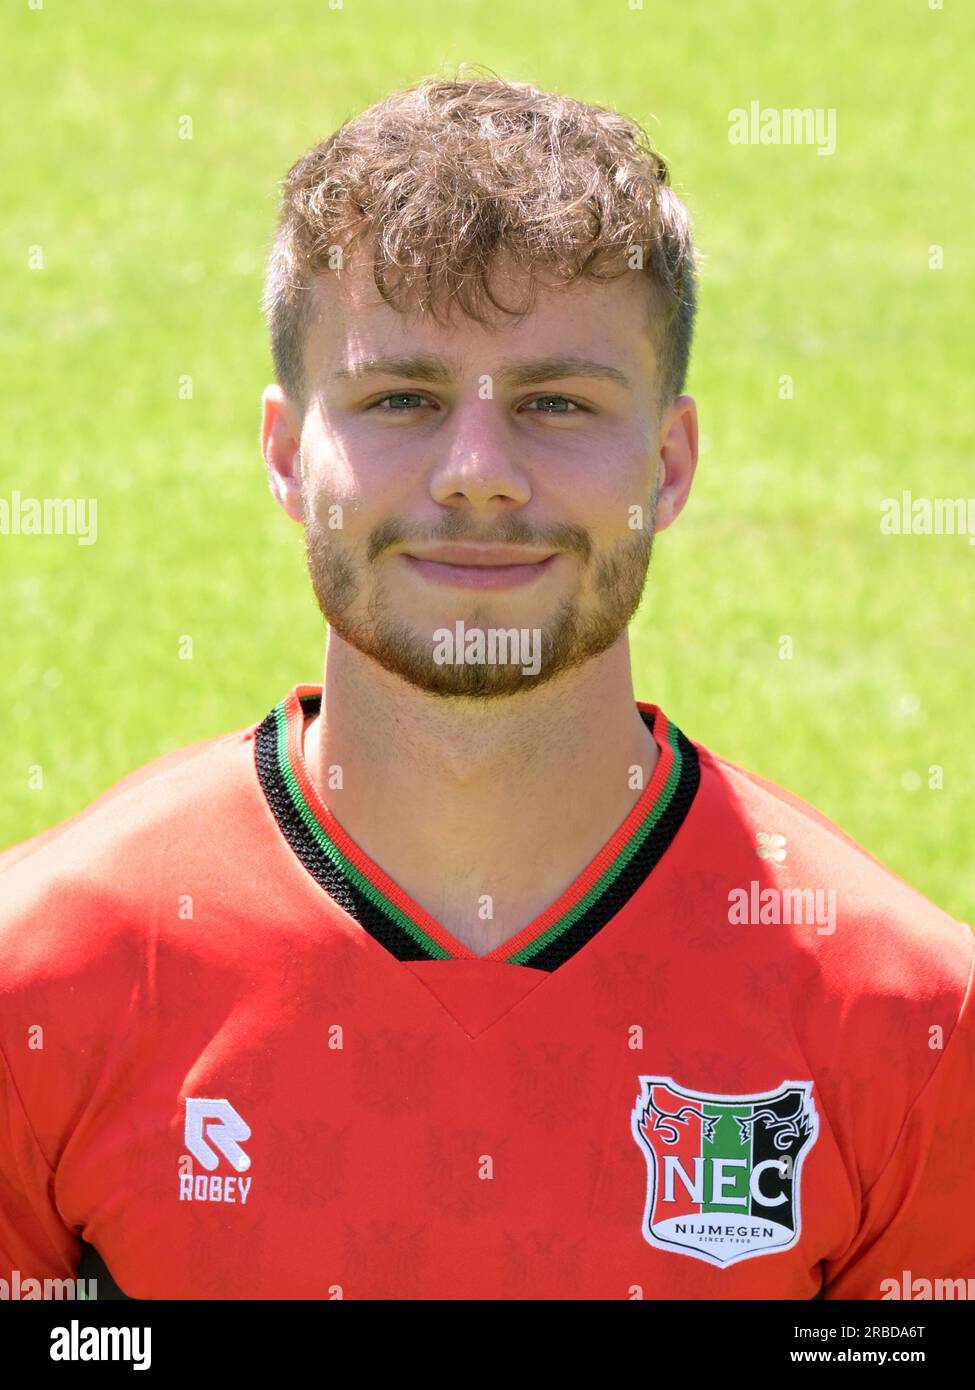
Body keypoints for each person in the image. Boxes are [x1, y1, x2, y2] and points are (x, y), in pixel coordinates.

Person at [1, 75, 972, 1302]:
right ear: (286, 454)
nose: (478, 473)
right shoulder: (39, 982)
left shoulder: (912, 1020)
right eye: (400, 398)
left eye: (555, 403)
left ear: (668, 465)